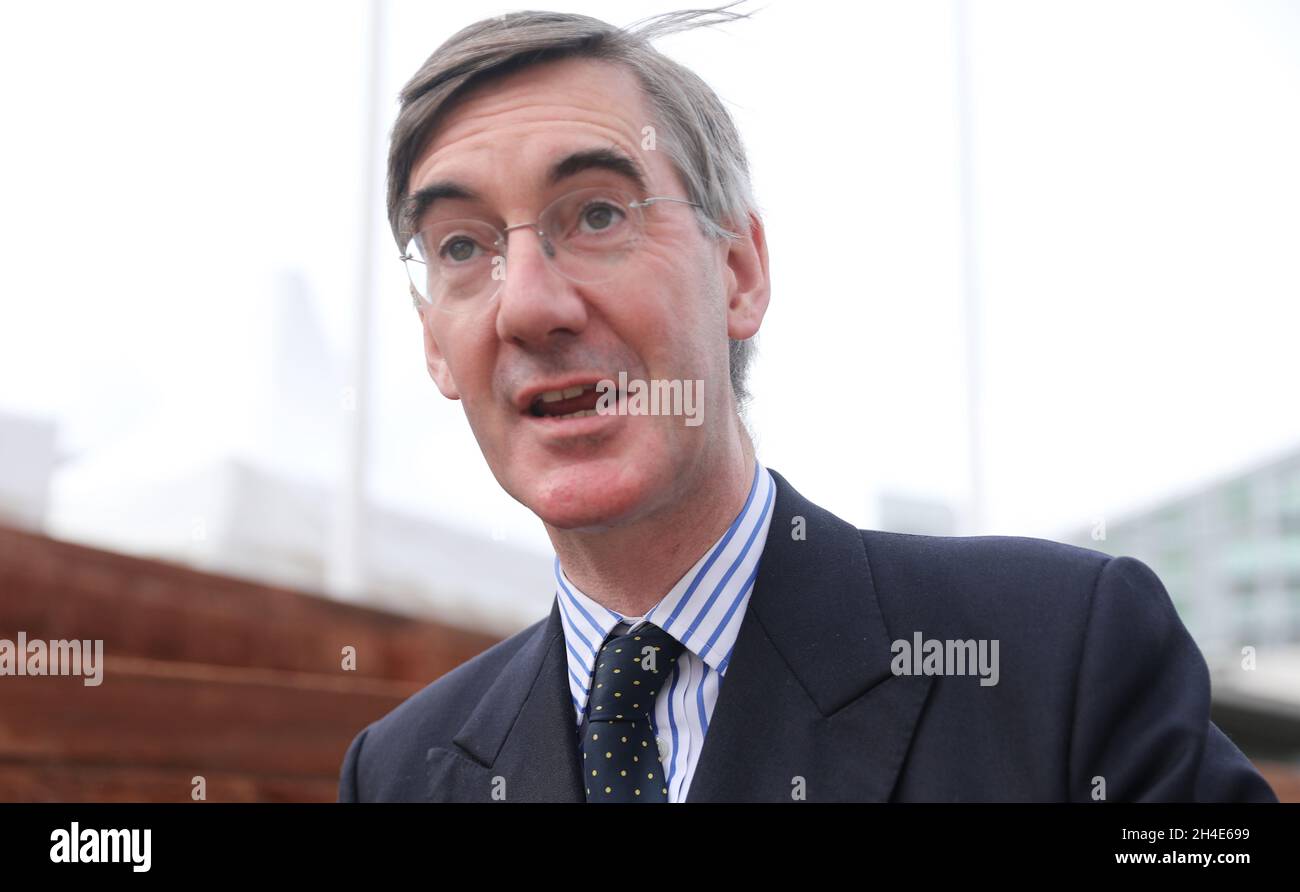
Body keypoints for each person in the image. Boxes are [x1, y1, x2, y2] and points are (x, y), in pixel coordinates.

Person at [337, 4, 1277, 803]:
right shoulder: (398, 771)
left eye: (597, 214)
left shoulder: (1060, 651)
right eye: (461, 247)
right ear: (434, 343)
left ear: (740, 271)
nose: (530, 303)